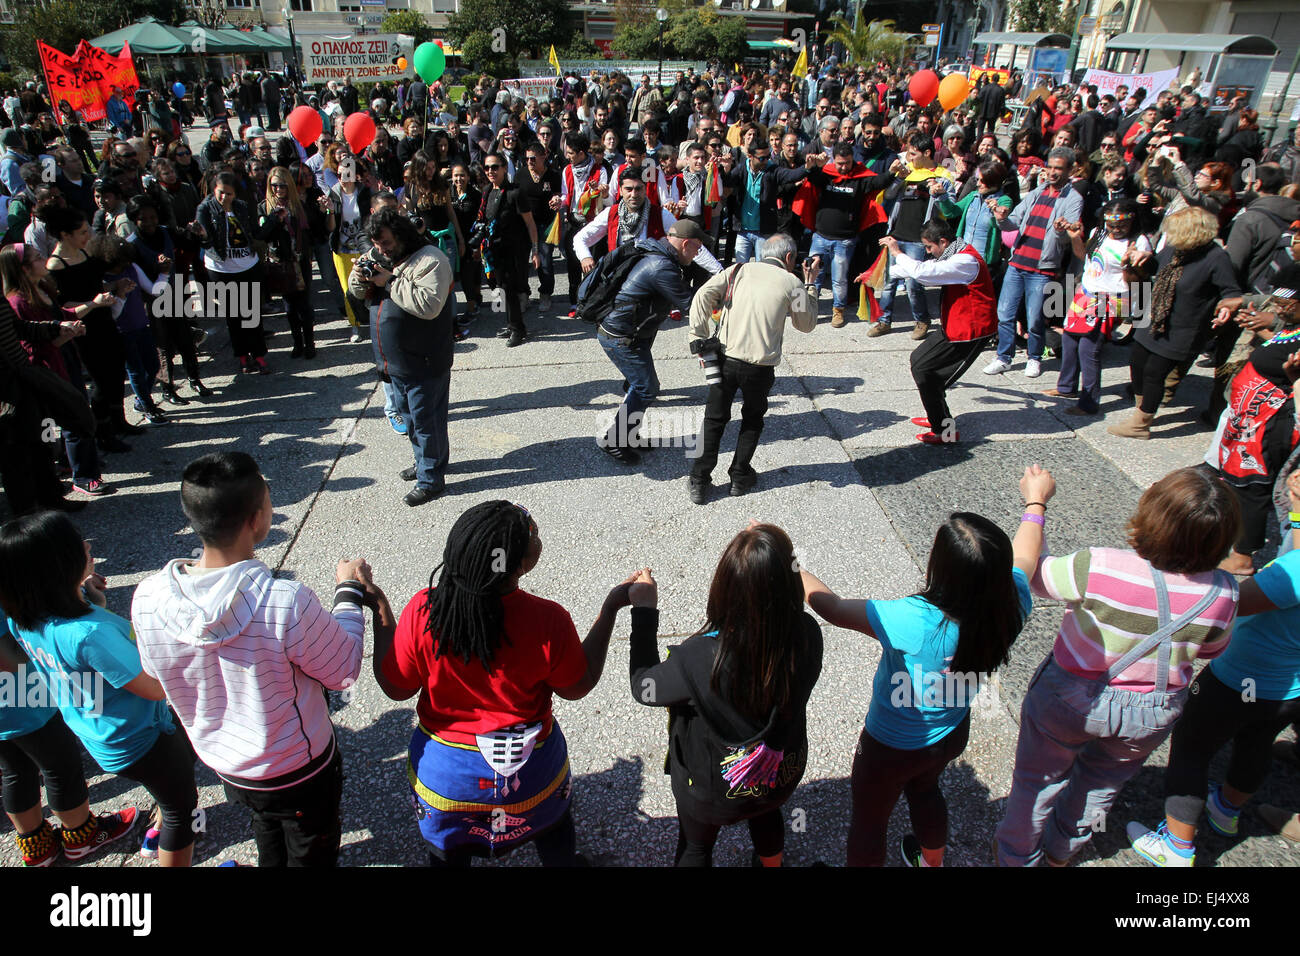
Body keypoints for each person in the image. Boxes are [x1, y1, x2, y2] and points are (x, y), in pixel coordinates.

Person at [132, 451, 381, 867]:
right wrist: (348, 592)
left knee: (265, 826)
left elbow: (157, 678)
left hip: (228, 765)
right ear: (256, 520)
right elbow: (342, 671)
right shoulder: (284, 601)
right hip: (299, 769)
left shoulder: (148, 598)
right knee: (311, 850)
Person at [995, 466, 1240, 867]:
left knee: (1036, 783)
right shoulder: (1225, 592)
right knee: (1099, 787)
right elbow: (1212, 651)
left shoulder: (1100, 565)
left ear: (1152, 514)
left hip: (1069, 697)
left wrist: (1035, 504)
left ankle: (1016, 857)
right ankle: (1060, 852)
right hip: (1152, 711)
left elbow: (1033, 577)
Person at [374, 501, 625, 866]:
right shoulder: (548, 620)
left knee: (446, 855)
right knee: (556, 830)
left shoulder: (424, 611)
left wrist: (379, 606)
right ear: (521, 564)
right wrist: (611, 609)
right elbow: (577, 686)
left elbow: (397, 687)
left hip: (446, 782)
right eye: (532, 534)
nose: (536, 534)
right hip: (531, 776)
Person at [801, 493, 1031, 867]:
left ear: (940, 569)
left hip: (889, 747)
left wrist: (793, 566)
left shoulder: (913, 618)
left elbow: (834, 608)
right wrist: (1035, 506)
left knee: (869, 821)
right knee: (925, 791)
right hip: (951, 733)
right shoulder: (1013, 603)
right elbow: (1026, 558)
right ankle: (932, 862)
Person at [0, 510, 199, 866]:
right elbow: (155, 688)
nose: (88, 546)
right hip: (142, 737)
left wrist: (93, 604)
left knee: (174, 775)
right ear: (58, 568)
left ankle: (161, 817)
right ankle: (164, 837)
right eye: (76, 544)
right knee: (180, 811)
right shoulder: (91, 634)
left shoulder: (23, 619)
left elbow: (76, 658)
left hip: (102, 733)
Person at [1129, 467, 1300, 864]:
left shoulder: (1292, 573)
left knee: (1191, 749)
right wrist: (1296, 514)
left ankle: (1177, 847)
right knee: (1256, 743)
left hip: (1239, 680)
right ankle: (1225, 811)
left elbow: (1233, 604)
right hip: (1290, 690)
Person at [628, 526, 823, 866]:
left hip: (713, 790)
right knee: (766, 816)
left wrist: (644, 612)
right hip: (778, 773)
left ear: (724, 589)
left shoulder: (698, 659)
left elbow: (643, 686)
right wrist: (768, 553)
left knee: (696, 846)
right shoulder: (807, 634)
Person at [686, 232, 818, 503]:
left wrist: (698, 335)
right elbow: (806, 325)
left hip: (725, 359)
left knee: (713, 420)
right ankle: (739, 475)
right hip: (760, 367)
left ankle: (699, 480)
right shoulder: (793, 283)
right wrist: (810, 285)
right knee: (752, 419)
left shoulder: (737, 270)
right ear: (789, 257)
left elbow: (702, 295)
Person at [349, 207, 456, 507]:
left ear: (401, 234)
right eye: (376, 244)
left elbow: (429, 304)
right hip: (395, 362)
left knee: (426, 422)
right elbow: (356, 292)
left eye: (385, 242)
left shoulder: (431, 259)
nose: (381, 249)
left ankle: (431, 480)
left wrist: (388, 281)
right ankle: (425, 463)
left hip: (425, 360)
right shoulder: (378, 255)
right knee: (410, 419)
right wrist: (360, 276)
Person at [1109, 207, 1241, 439]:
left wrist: (1226, 307)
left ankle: (1141, 425)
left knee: (1154, 373)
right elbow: (1155, 267)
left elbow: (1231, 292)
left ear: (1191, 233)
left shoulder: (1216, 258)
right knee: (1137, 362)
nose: (1169, 235)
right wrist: (1139, 258)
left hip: (1183, 327)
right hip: (1155, 318)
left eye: (1174, 231)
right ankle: (1142, 408)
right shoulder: (1175, 249)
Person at [1208, 266, 1300, 576]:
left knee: (1252, 486)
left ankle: (1243, 556)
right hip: (1249, 420)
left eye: (1285, 303)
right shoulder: (1293, 327)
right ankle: (1234, 537)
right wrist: (1263, 333)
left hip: (1272, 424)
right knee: (1239, 483)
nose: (1278, 309)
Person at [591, 217, 706, 463]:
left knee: (639, 386)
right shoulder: (661, 267)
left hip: (631, 333)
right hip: (621, 336)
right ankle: (614, 440)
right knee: (646, 387)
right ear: (686, 244)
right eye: (698, 247)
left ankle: (628, 435)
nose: (698, 253)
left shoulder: (660, 256)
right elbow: (691, 304)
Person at [878, 219, 998, 446]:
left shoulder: (965, 261)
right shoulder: (954, 254)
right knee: (920, 362)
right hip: (956, 327)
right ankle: (938, 416)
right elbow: (919, 270)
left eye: (929, 247)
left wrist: (897, 252)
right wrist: (876, 275)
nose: (927, 252)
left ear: (943, 242)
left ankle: (945, 430)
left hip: (971, 331)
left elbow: (924, 273)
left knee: (927, 373)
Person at [983, 147, 1085, 378]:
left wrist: (1061, 230)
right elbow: (1013, 222)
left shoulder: (1073, 199)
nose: (1052, 172)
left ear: (1070, 170)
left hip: (1042, 267)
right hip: (1017, 262)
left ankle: (1034, 357)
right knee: (1005, 314)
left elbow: (1066, 237)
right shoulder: (1037, 192)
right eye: (1050, 167)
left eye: (1059, 168)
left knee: (1035, 317)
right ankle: (1003, 357)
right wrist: (1001, 218)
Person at [1044, 200, 1153, 416]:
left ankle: (1089, 403)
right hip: (1086, 293)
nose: (1116, 229)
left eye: (1122, 225)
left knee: (1089, 348)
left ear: (1132, 220)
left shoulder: (1139, 242)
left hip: (1112, 298)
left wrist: (1128, 264)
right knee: (1069, 339)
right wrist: (1075, 238)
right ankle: (1066, 387)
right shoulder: (1099, 233)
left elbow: (1138, 282)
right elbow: (1085, 257)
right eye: (1111, 224)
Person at [195, 170, 278, 373]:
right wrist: (202, 235)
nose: (225, 197)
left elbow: (256, 233)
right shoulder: (205, 209)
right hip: (221, 269)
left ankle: (259, 356)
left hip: (248, 265)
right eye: (221, 192)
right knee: (234, 316)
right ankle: (242, 356)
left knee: (252, 313)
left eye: (229, 193)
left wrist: (274, 219)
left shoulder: (241, 206)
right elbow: (206, 242)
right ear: (214, 190)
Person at [473, 152, 541, 348]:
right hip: (493, 250)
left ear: (504, 168)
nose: (490, 171)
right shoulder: (487, 191)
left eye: (495, 167)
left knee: (510, 290)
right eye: (487, 168)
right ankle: (511, 325)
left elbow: (530, 224)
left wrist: (535, 251)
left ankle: (518, 329)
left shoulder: (515, 192)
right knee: (499, 288)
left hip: (513, 250)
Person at [261, 166, 316, 358]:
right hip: (281, 263)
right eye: (274, 185)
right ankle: (297, 343)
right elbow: (262, 235)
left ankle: (309, 343)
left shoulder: (299, 205)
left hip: (300, 261)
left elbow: (313, 231)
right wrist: (274, 219)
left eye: (282, 185)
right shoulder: (265, 207)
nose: (278, 189)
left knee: (304, 305)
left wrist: (326, 210)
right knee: (290, 307)